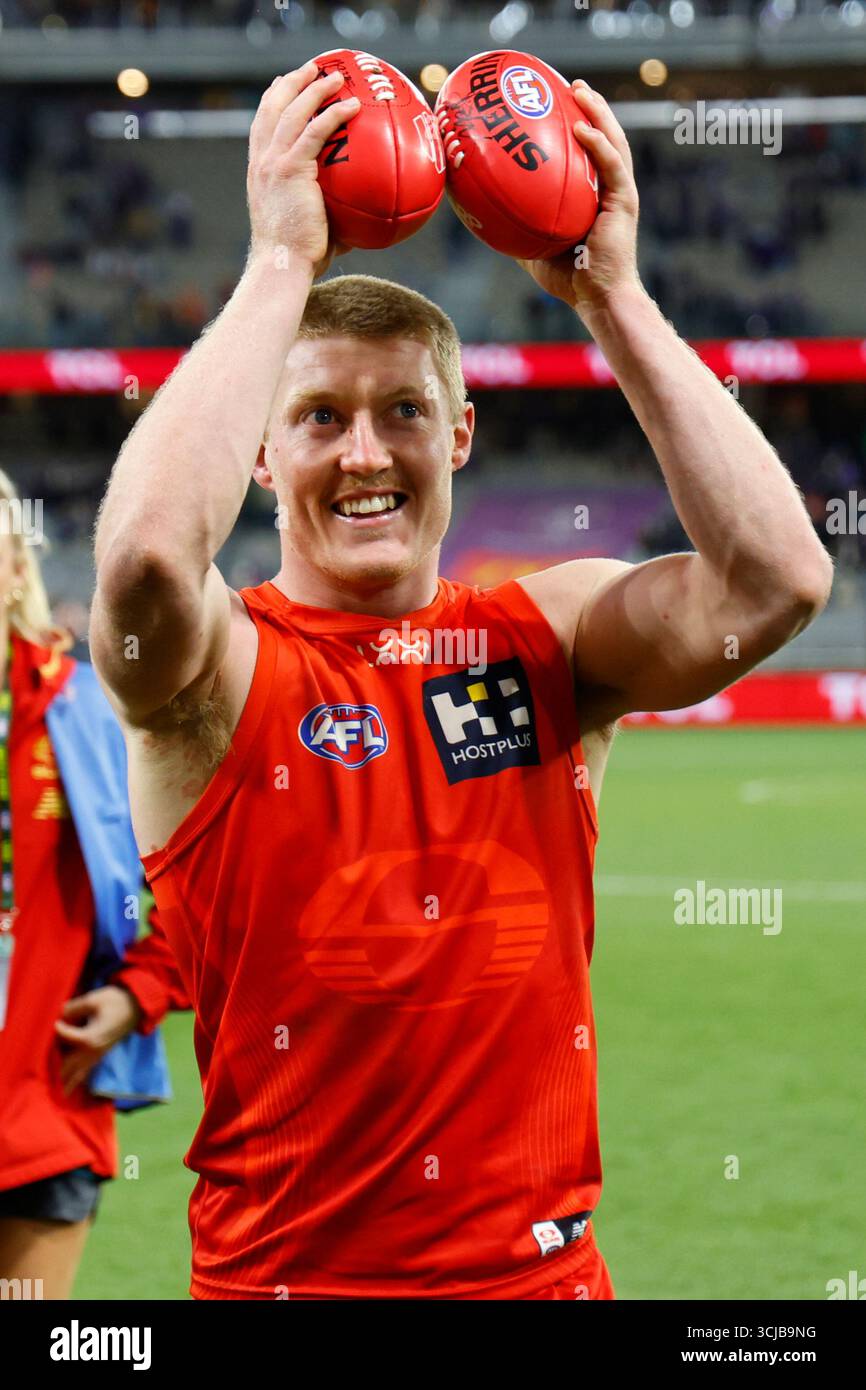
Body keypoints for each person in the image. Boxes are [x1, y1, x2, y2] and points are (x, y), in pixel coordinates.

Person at [90, 64, 833, 1300]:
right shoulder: (217, 670)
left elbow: (775, 584)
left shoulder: (542, 635)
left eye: (401, 412)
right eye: (320, 417)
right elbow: (149, 564)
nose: (365, 451)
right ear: (263, 455)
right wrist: (278, 268)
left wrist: (613, 297)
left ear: (461, 434)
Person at [0, 469, 189, 1300]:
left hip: (41, 1118)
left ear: (15, 567)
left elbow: (204, 887)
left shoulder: (87, 715)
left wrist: (139, 993)